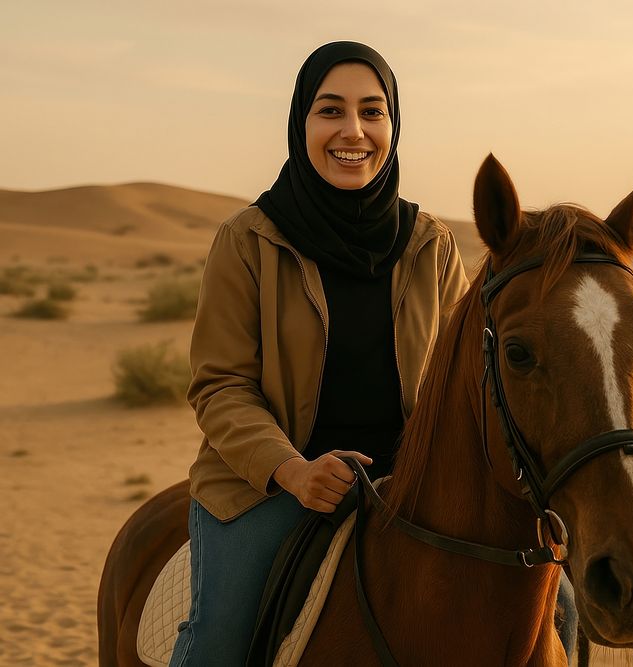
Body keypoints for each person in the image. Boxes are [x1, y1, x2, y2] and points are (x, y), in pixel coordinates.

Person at [169, 42, 470, 666]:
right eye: (330, 110)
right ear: (300, 122)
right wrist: (295, 470)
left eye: (372, 111)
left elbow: (465, 381)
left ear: (393, 126)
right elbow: (220, 387)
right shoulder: (248, 240)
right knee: (220, 645)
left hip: (408, 491)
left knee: (559, 607)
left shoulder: (431, 244)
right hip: (268, 488)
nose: (353, 131)